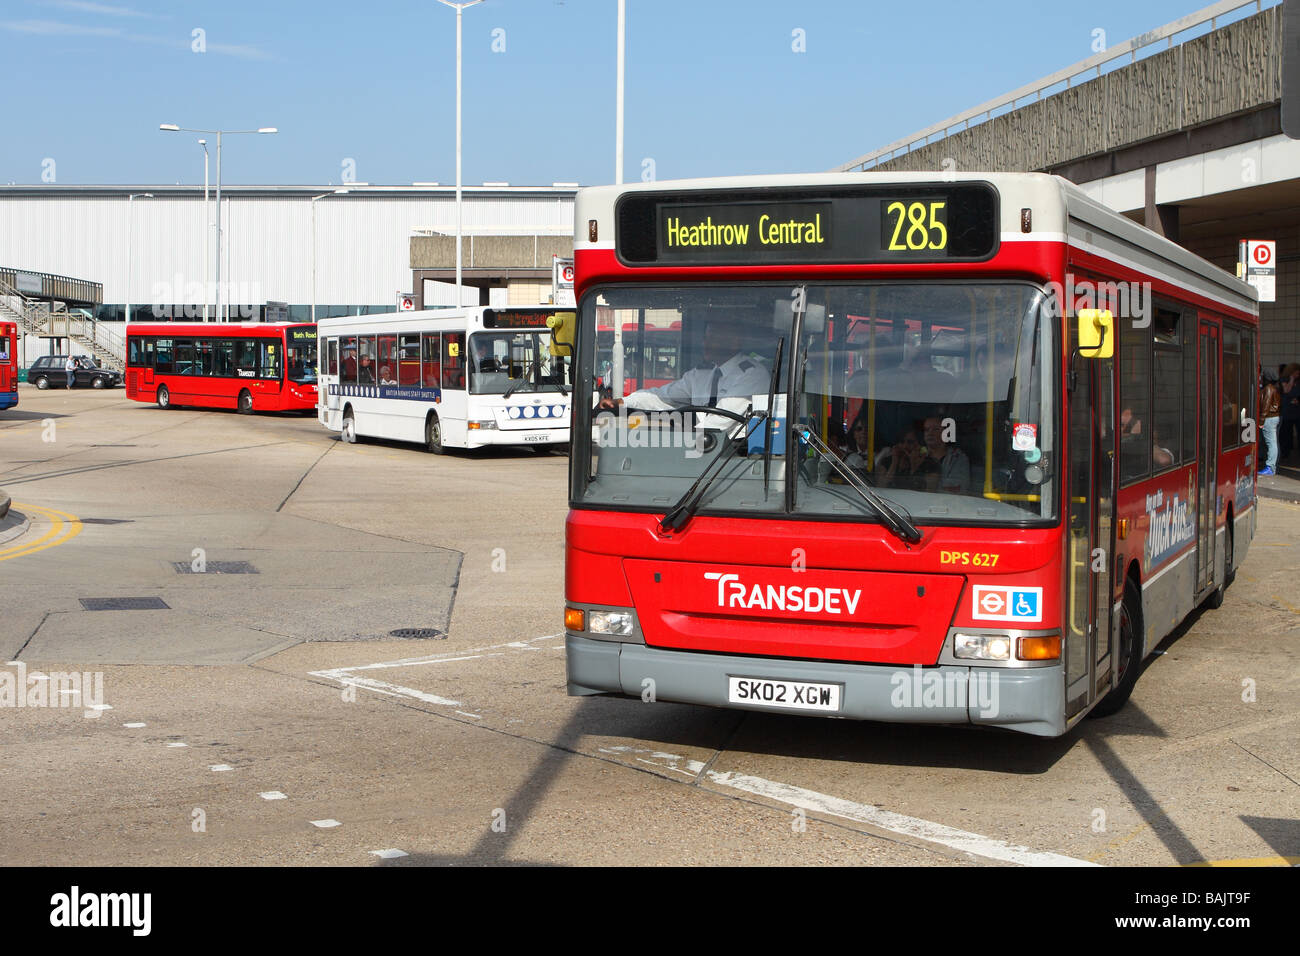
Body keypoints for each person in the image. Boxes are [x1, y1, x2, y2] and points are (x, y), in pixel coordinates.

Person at [598, 318, 768, 414]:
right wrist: (622, 401)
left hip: (732, 456)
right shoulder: (702, 374)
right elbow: (662, 397)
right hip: (701, 447)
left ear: (734, 342)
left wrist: (682, 441)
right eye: (706, 338)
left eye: (714, 338)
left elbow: (724, 420)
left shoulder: (752, 374)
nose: (706, 344)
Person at [918, 415, 971, 493]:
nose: (930, 433)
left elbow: (960, 489)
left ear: (946, 432)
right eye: (926, 430)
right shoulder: (917, 455)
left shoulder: (958, 458)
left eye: (935, 429)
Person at [1259, 367, 1280, 476]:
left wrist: (1261, 421)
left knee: (1271, 443)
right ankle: (1270, 466)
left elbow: (1266, 406)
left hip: (1269, 418)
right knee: (1271, 442)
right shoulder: (1273, 388)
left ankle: (1270, 467)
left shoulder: (1268, 388)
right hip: (1272, 417)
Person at [1278, 362, 1300, 464]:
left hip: (1297, 410)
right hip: (1287, 410)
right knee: (1286, 432)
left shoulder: (1299, 381)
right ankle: (1285, 453)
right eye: (1295, 373)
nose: (1297, 375)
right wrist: (1291, 379)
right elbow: (1286, 390)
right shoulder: (1284, 379)